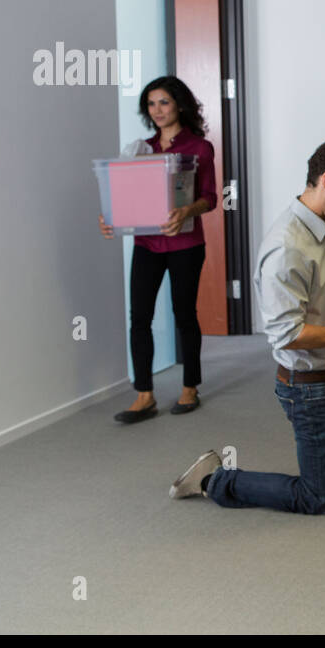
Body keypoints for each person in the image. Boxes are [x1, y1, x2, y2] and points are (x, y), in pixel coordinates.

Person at [169, 139, 325, 513]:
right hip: (315, 387)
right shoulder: (287, 248)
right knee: (317, 499)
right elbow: (290, 335)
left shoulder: (320, 227)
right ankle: (215, 479)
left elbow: (315, 298)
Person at [99, 76, 218, 424]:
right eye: (151, 104)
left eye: (164, 102)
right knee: (139, 318)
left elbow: (210, 199)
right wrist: (111, 218)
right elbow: (126, 196)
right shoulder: (140, 149)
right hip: (147, 243)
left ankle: (190, 387)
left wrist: (185, 212)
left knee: (184, 314)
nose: (157, 110)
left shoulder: (199, 148)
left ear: (179, 104)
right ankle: (144, 395)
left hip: (185, 243)